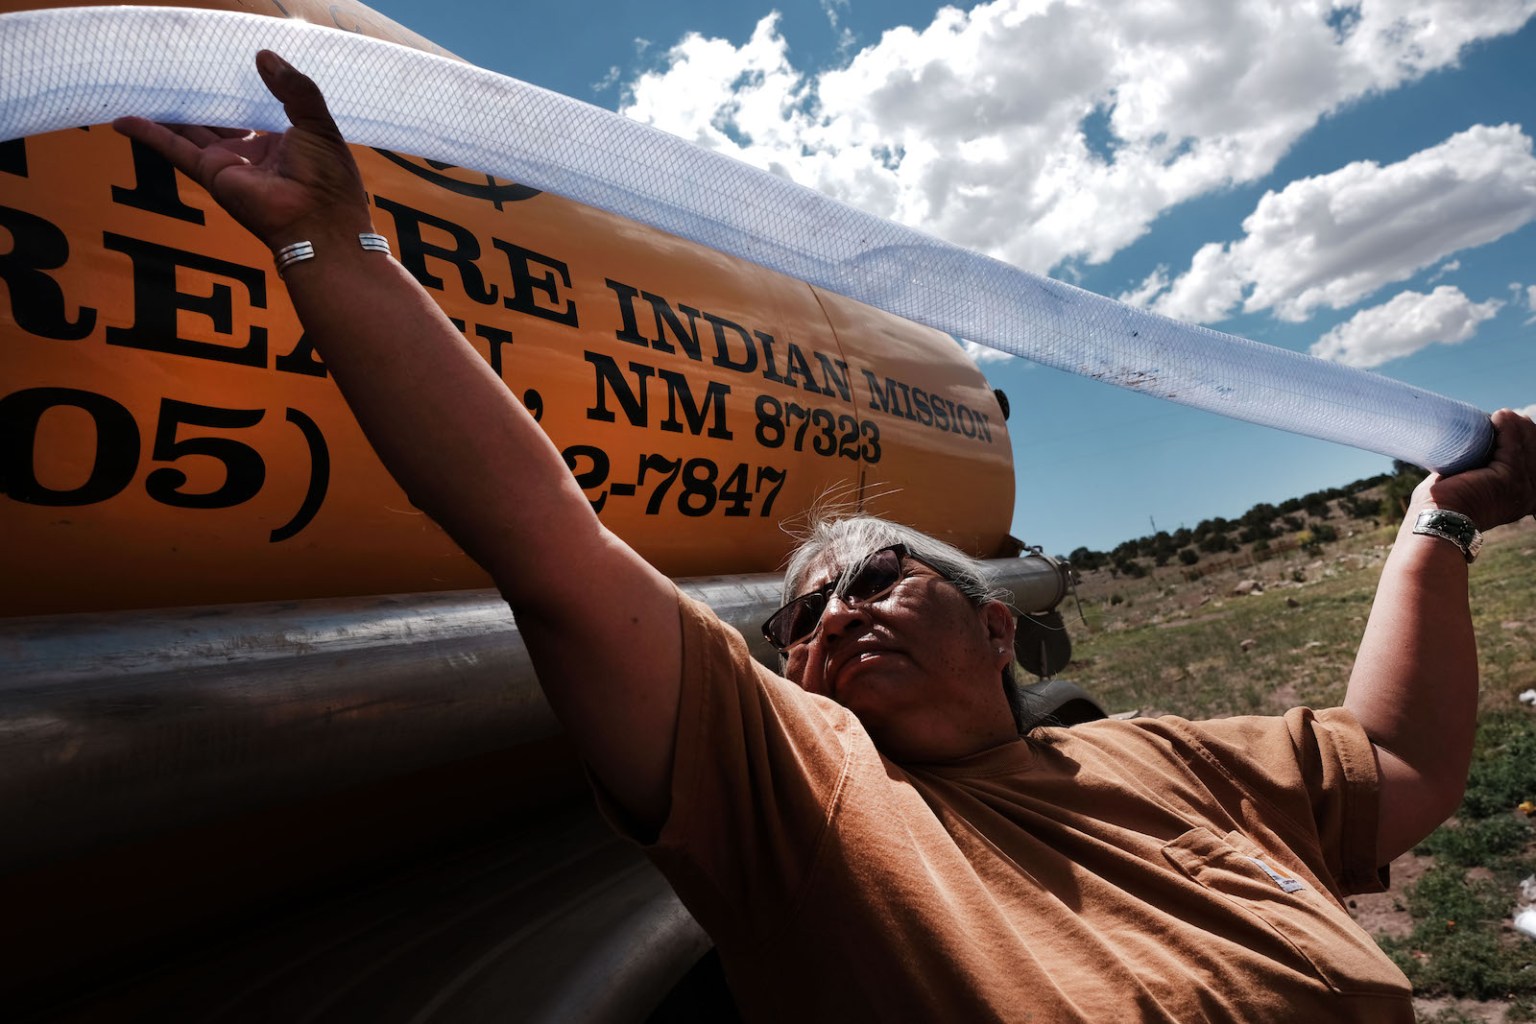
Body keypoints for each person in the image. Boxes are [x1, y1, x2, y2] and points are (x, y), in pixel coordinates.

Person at [115, 52, 1536, 1022]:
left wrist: (1435, 528)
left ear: (994, 624)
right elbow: (543, 539)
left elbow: (1398, 767)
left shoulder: (1153, 757)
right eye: (797, 619)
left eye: (874, 573)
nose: (830, 613)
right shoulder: (806, 800)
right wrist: (328, 247)